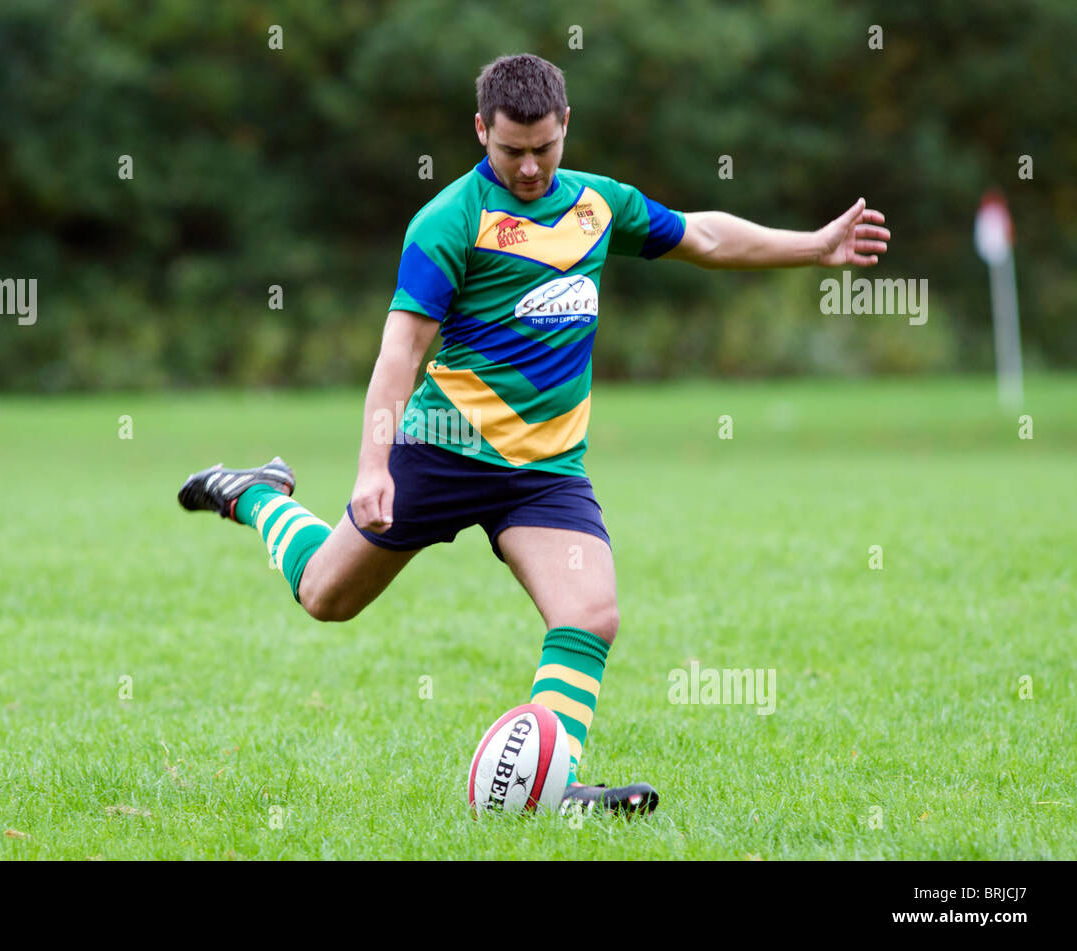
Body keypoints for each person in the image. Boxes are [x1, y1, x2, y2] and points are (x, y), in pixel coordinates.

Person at [179, 53, 889, 816]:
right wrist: (372, 466)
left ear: (565, 126)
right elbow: (400, 353)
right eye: (509, 149)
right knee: (325, 595)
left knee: (590, 614)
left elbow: (705, 238)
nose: (526, 166)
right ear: (481, 128)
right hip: (441, 450)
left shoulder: (596, 205)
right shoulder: (449, 220)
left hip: (547, 470)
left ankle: (552, 790)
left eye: (542, 148)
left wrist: (814, 246)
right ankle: (255, 495)